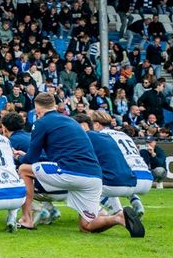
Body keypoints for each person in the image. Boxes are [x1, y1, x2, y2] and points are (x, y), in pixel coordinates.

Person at [17, 92, 142, 237]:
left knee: (24, 170)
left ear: (37, 110)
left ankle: (27, 219)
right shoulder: (71, 121)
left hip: (70, 171)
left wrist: (20, 157)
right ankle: (119, 218)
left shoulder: (41, 122)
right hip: (94, 177)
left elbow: (31, 158)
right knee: (86, 226)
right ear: (54, 106)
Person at [73, 113, 136, 219]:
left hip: (112, 184)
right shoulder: (107, 137)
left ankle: (103, 215)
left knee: (74, 184)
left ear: (84, 126)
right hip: (130, 183)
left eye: (74, 126)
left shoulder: (85, 137)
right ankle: (119, 211)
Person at [91, 110, 153, 216]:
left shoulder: (100, 136)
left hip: (127, 178)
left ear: (96, 124)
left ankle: (117, 211)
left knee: (90, 183)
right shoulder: (123, 134)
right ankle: (135, 201)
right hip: (147, 177)